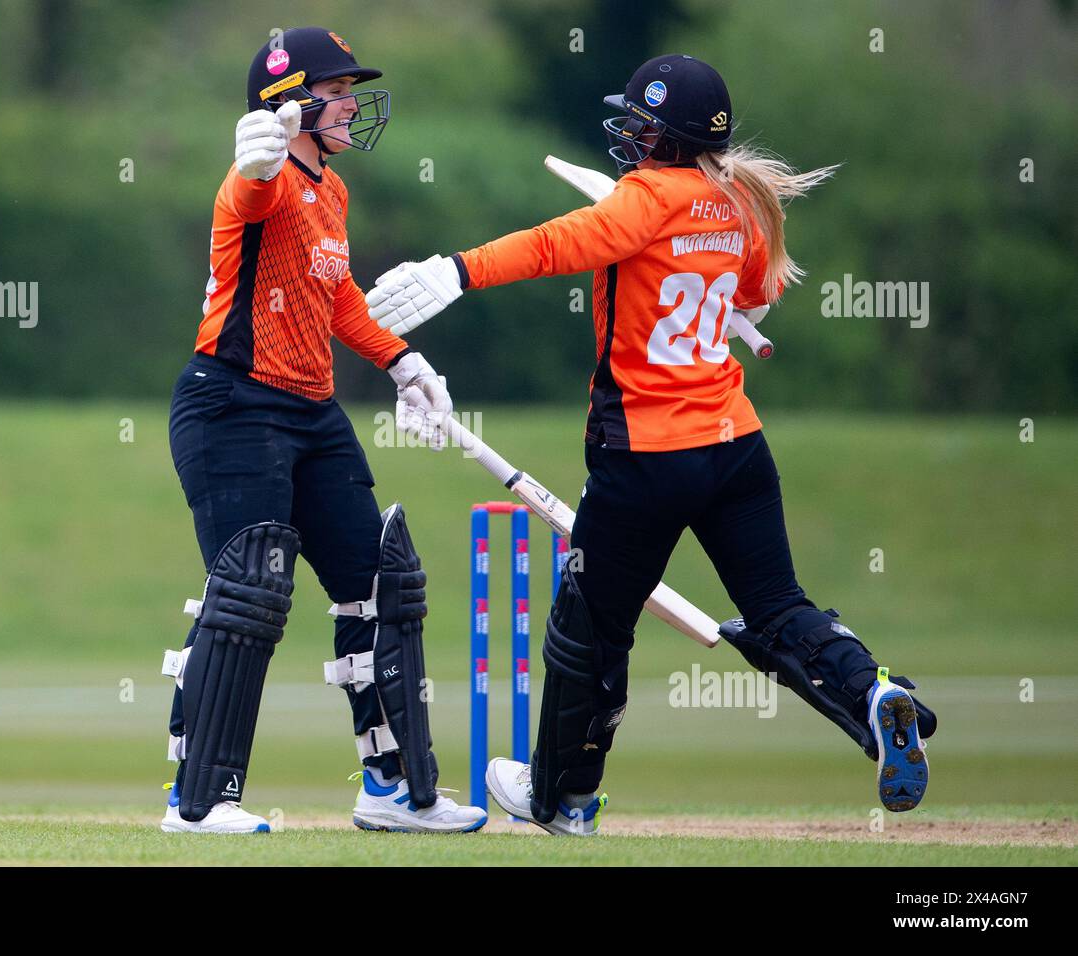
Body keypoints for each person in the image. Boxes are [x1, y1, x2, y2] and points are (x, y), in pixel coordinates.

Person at [367, 54, 936, 835]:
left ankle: (561, 796)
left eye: (641, 124)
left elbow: (554, 246)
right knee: (777, 608)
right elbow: (759, 294)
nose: (630, 135)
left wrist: (458, 271)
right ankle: (872, 691)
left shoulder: (643, 197)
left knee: (593, 624)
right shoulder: (738, 202)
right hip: (734, 444)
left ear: (665, 139)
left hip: (645, 452)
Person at [159, 26, 485, 835]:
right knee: (249, 593)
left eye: (348, 89)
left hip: (311, 408)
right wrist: (253, 163)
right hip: (232, 403)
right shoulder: (261, 182)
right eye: (336, 90)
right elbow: (246, 196)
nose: (350, 104)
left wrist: (404, 363)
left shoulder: (331, 193)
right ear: (290, 104)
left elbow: (337, 299)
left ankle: (393, 789)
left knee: (379, 584)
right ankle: (196, 801)